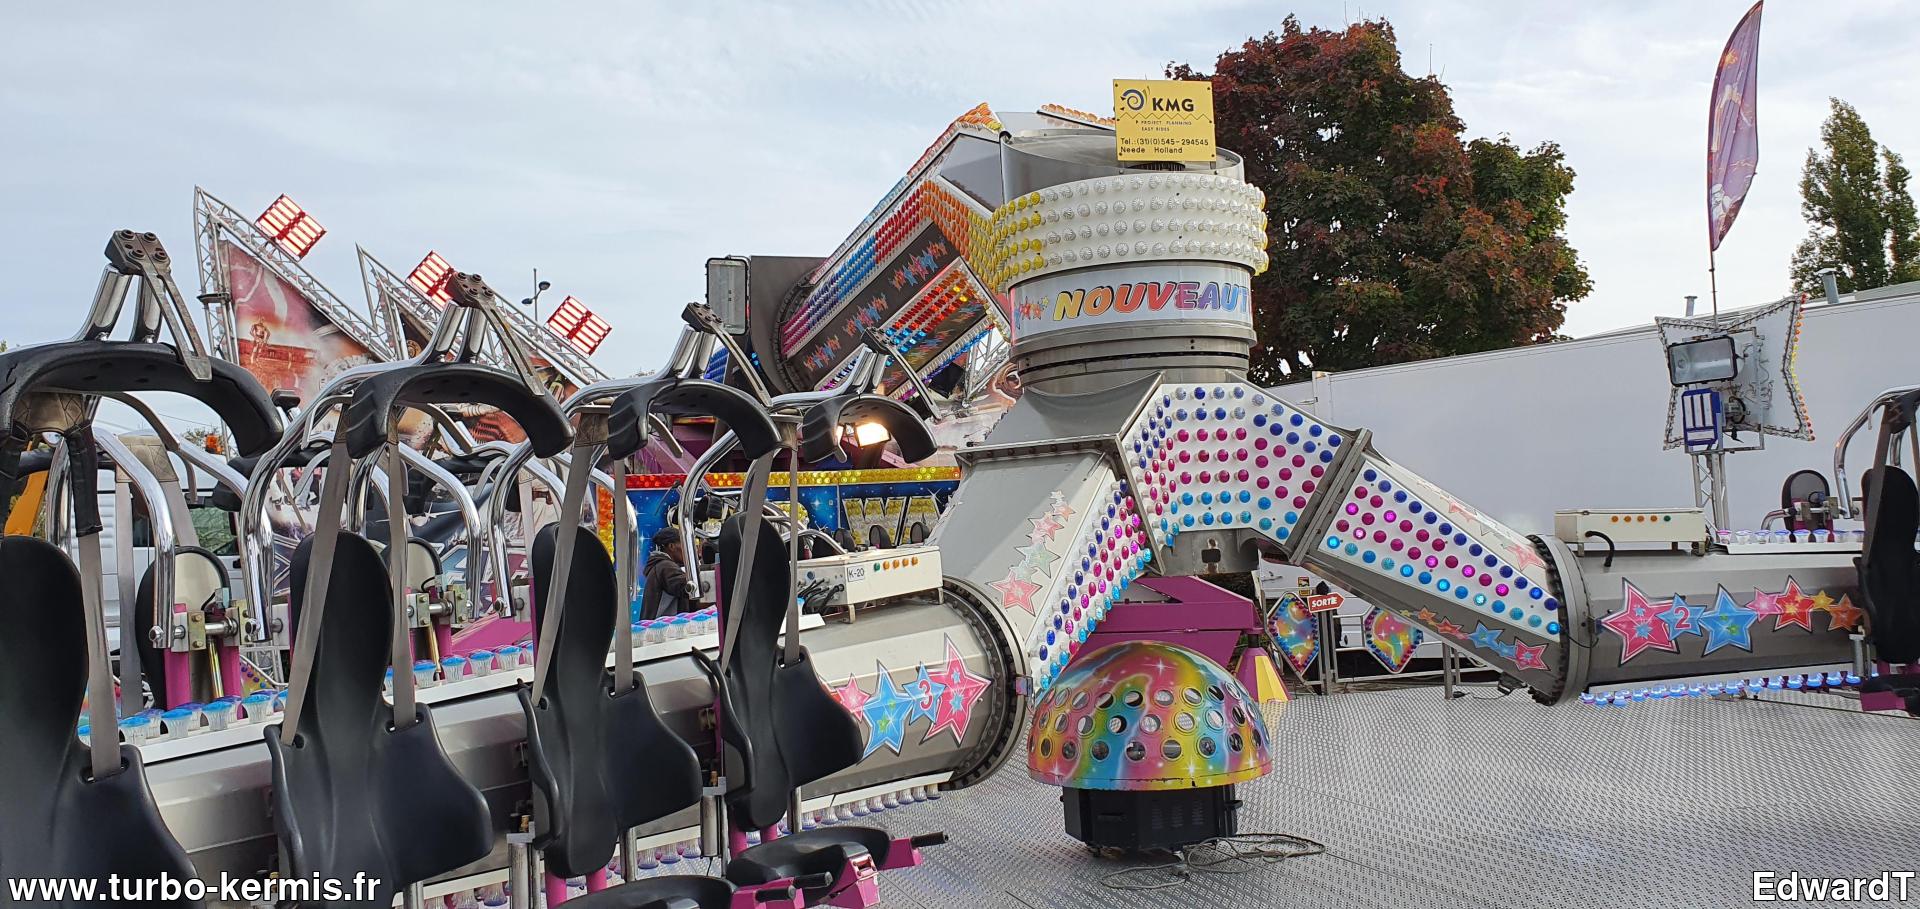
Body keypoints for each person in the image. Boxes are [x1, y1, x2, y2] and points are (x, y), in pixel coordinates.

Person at [642, 527, 695, 620]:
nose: (687, 550)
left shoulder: (660, 565)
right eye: (684, 544)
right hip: (663, 630)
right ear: (671, 546)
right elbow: (688, 589)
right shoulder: (666, 567)